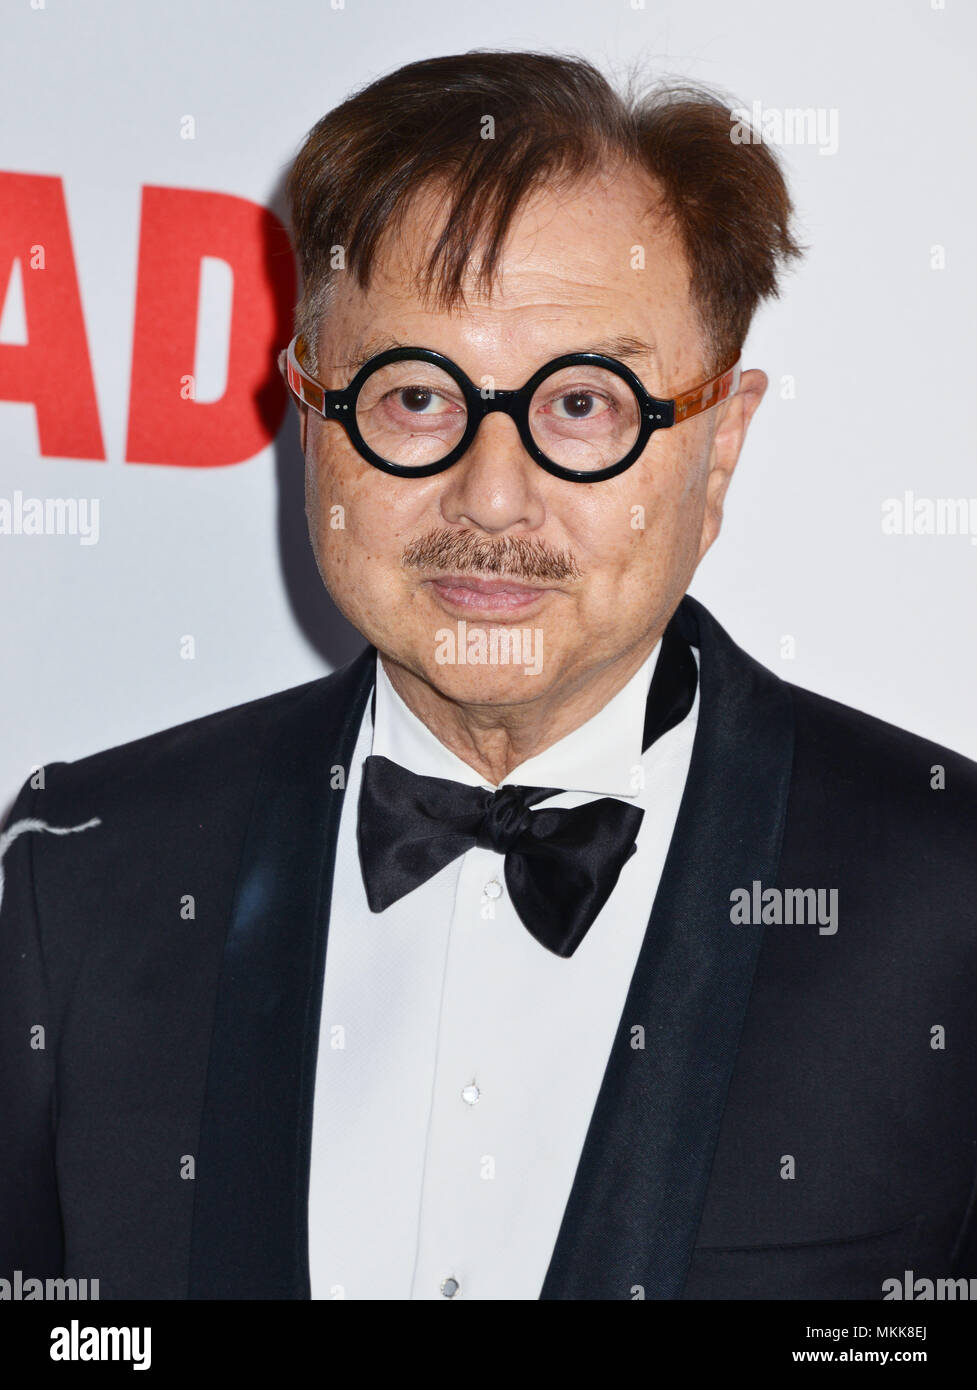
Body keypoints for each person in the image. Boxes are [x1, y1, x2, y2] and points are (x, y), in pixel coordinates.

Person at [2, 50, 975, 1302]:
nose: (491, 493)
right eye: (413, 396)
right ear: (308, 407)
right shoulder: (78, 876)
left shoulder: (945, 893)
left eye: (581, 403)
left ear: (719, 447)